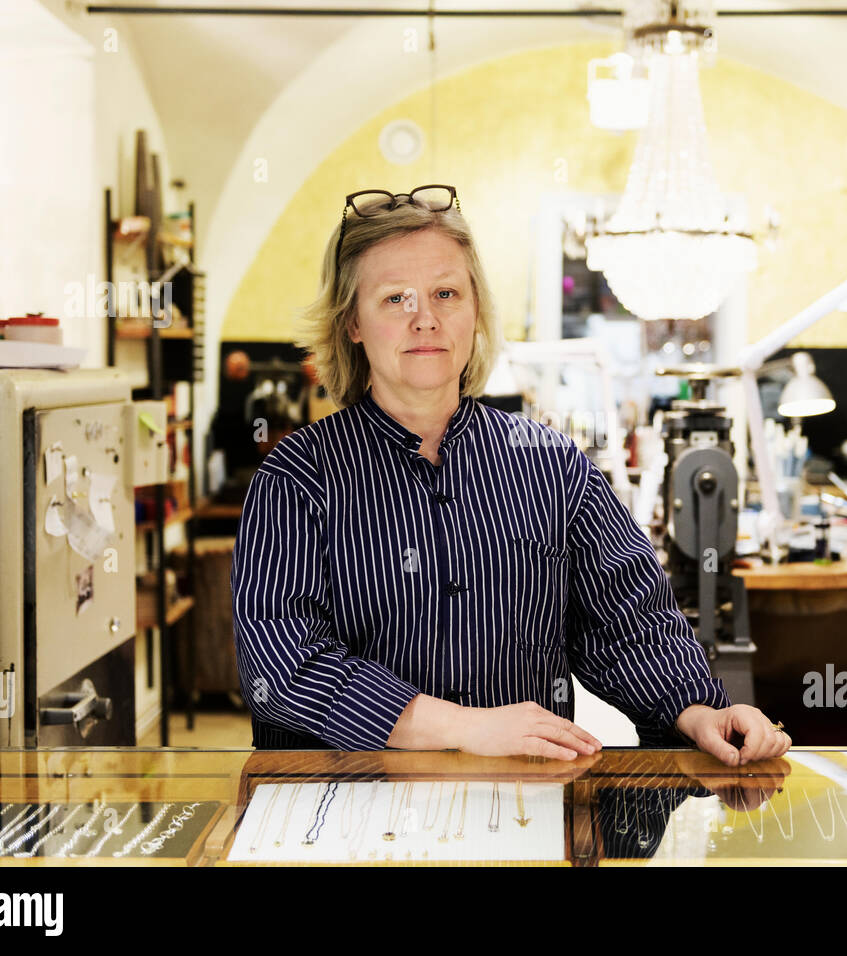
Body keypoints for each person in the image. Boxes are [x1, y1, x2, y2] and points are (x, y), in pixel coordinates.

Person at [231, 184, 791, 766]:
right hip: (349, 818)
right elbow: (282, 667)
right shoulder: (296, 478)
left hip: (522, 811)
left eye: (446, 293)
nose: (425, 319)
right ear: (351, 323)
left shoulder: (554, 465)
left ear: (475, 310)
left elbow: (630, 621)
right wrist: (462, 728)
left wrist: (699, 711)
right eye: (395, 299)